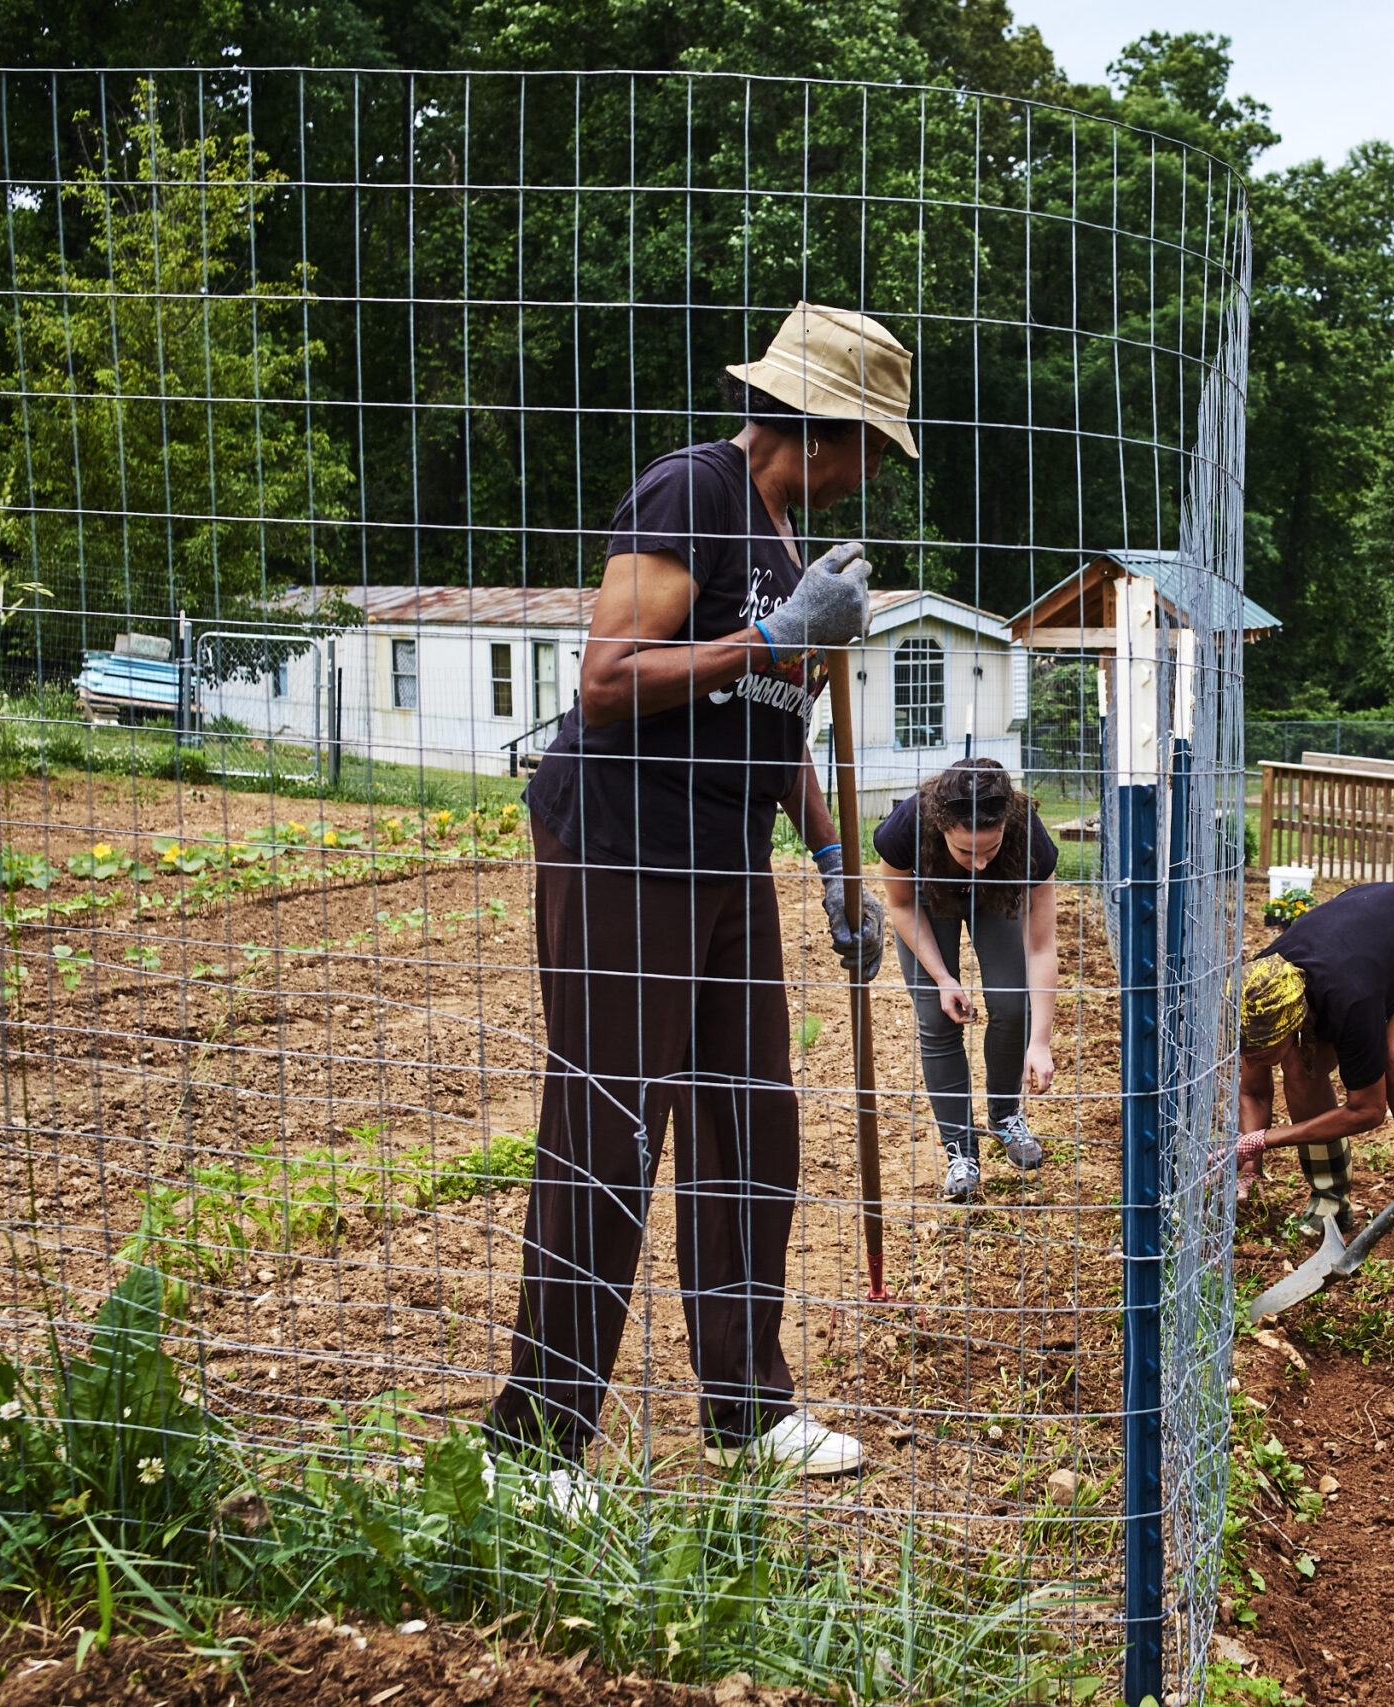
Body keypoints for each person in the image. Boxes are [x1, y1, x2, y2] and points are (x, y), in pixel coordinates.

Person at [492, 303, 914, 1480]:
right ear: (821, 429)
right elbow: (611, 680)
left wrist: (831, 861)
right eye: (871, 448)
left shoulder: (787, 535)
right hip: (625, 844)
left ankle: (745, 1408)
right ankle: (531, 1446)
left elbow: (777, 733)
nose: (871, 474)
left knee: (751, 1127)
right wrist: (773, 639)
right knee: (612, 1129)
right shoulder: (692, 491)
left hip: (725, 856)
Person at [1235, 882, 1394, 1265]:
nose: (1253, 1061)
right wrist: (1249, 1167)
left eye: (1263, 1053)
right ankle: (1329, 1201)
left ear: (1294, 1024)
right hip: (1371, 944)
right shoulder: (1258, 993)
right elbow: (1255, 1092)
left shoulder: (1349, 997)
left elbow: (1367, 1111)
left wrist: (1265, 1139)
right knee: (1300, 1064)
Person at [874, 758, 1061, 1203]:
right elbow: (899, 905)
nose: (978, 863)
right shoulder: (905, 829)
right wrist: (942, 977)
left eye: (989, 850)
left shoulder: (1029, 838)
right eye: (964, 851)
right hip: (928, 902)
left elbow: (1040, 947)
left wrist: (1041, 1042)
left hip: (996, 900)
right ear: (940, 826)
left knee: (1014, 1005)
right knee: (938, 1022)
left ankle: (1004, 1116)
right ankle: (961, 1151)